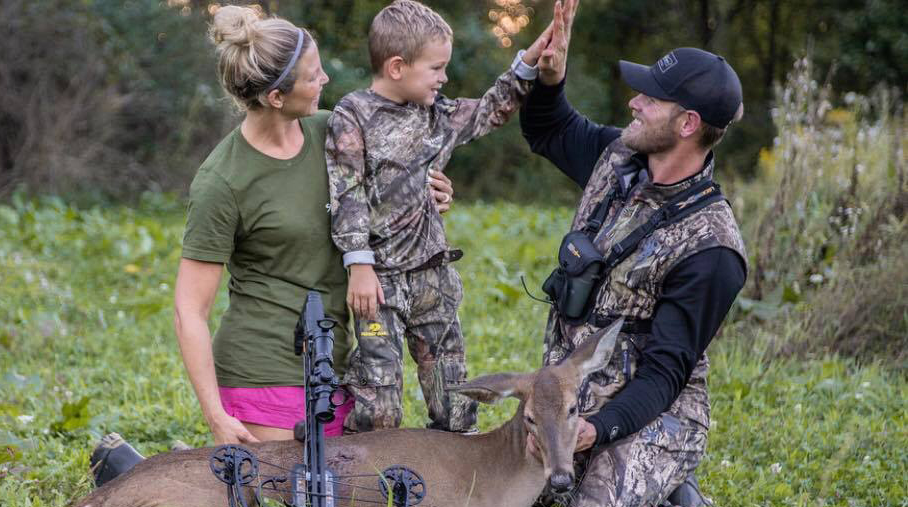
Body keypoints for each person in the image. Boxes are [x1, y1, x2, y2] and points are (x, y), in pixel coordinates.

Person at [88, 4, 458, 487]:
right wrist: (217, 415)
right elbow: (189, 310)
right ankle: (144, 475)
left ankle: (183, 468)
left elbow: (392, 186)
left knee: (357, 488)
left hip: (343, 360)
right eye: (312, 75)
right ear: (277, 96)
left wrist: (431, 193)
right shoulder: (223, 180)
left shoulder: (336, 131)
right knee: (293, 490)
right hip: (265, 369)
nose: (326, 78)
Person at [519, 1, 746, 505]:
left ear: (687, 124)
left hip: (656, 415)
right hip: (572, 398)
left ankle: (673, 484)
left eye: (651, 98)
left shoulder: (712, 248)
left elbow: (665, 374)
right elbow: (548, 129)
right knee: (505, 490)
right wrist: (549, 79)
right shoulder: (618, 157)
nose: (634, 103)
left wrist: (597, 431)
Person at [326, 0, 554, 434]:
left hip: (434, 281)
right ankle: (347, 458)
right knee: (380, 412)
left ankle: (452, 480)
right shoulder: (352, 114)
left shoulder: (438, 116)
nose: (444, 78)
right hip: (380, 286)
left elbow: (493, 108)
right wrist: (358, 263)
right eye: (435, 68)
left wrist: (529, 61)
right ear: (397, 67)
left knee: (456, 410)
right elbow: (347, 191)